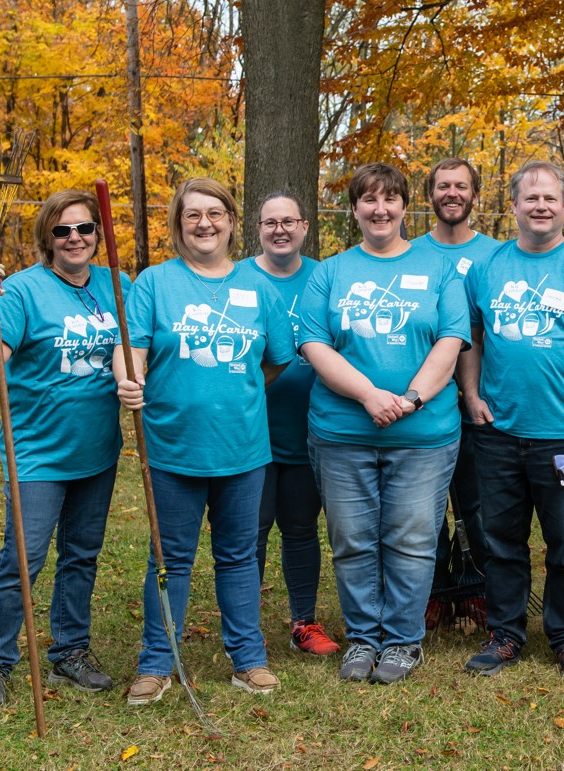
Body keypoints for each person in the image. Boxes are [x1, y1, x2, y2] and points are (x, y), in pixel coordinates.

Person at [115, 177, 295, 705]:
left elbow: (276, 358)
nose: (205, 223)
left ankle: (248, 660)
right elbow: (134, 352)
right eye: (193, 214)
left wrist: (231, 393)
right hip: (171, 448)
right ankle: (156, 662)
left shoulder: (257, 286)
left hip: (242, 448)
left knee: (239, 557)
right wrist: (128, 377)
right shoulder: (154, 283)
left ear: (233, 222)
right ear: (179, 224)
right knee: (168, 559)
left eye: (215, 213)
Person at [297, 162, 471, 684]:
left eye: (390, 199)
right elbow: (312, 344)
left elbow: (451, 340)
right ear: (354, 210)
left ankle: (401, 640)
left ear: (403, 207)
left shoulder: (440, 270)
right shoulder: (330, 272)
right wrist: (371, 395)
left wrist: (411, 399)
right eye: (368, 200)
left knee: (412, 538)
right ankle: (363, 638)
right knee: (351, 539)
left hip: (423, 435)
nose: (380, 209)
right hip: (341, 433)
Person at [458, 160, 564, 680]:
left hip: (563, 434)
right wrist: (470, 393)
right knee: (501, 540)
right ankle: (505, 634)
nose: (540, 206)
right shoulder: (486, 268)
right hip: (500, 431)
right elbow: (471, 339)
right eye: (530, 198)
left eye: (550, 198)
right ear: (513, 206)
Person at [0, 190, 126, 710]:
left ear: (98, 235)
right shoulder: (23, 290)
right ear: (48, 239)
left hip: (97, 450)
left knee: (81, 556)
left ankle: (71, 650)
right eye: (63, 231)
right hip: (37, 452)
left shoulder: (117, 285)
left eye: (84, 228)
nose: (74, 238)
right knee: (24, 560)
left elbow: (138, 349)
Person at [246, 191, 338, 657]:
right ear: (257, 228)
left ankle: (304, 621)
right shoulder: (237, 278)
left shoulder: (326, 276)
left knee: (301, 529)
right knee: (252, 530)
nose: (279, 229)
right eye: (270, 222)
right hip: (251, 432)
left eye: (289, 221)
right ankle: (245, 629)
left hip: (311, 428)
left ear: (304, 227)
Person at [415, 158, 500, 632]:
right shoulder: (412, 254)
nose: (452, 193)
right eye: (443, 186)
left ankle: (477, 593)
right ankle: (435, 593)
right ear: (430, 195)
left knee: (476, 505)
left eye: (460, 186)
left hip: (480, 402)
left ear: (474, 195)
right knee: (426, 509)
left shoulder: (496, 255)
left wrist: (475, 392)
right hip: (423, 402)